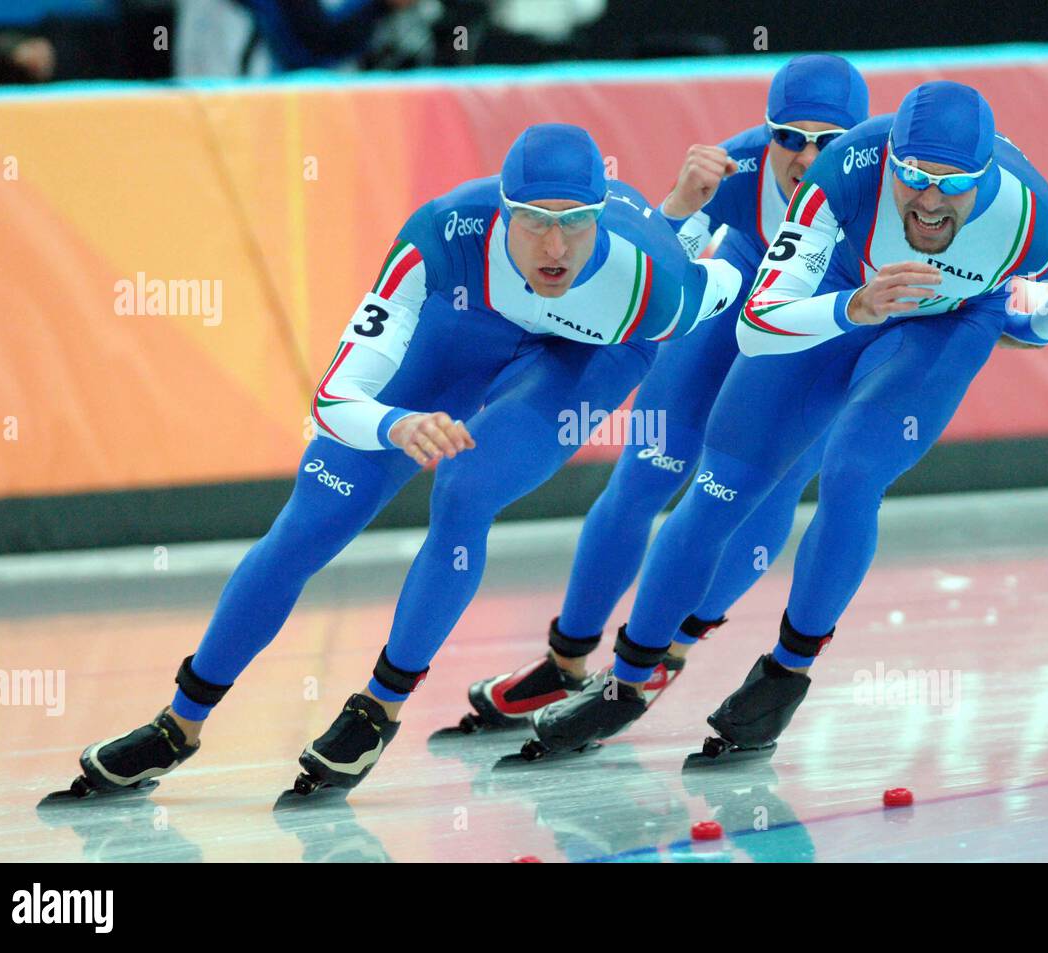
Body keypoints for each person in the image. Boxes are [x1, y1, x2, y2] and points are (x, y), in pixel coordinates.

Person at [56, 123, 741, 800]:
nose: (554, 246)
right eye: (532, 222)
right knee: (309, 522)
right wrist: (395, 422)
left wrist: (681, 210)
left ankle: (379, 706)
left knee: (466, 488)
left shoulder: (657, 287)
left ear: (600, 221)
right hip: (464, 331)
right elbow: (334, 398)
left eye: (574, 224)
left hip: (588, 356)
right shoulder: (441, 237)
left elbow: (736, 275)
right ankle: (180, 722)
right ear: (501, 212)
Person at [522, 81, 1048, 762]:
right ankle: (628, 682)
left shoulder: (1029, 213)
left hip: (946, 325)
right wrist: (853, 308)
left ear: (985, 176)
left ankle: (786, 671)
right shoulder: (847, 168)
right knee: (720, 487)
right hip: (847, 290)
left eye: (950, 185)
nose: (928, 200)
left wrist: (1029, 326)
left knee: (851, 473)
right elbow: (758, 325)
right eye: (913, 177)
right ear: (889, 157)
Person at [446, 54, 870, 736]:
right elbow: (647, 257)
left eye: (828, 141)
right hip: (735, 295)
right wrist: (680, 205)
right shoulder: (737, 169)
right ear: (768, 134)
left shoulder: (884, 190)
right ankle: (567, 657)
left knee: (766, 485)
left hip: (820, 323)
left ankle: (666, 649)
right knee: (645, 473)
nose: (807, 155)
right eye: (790, 136)